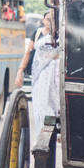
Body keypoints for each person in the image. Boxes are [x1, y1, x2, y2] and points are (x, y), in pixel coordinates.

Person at [16, 9, 59, 148]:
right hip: (39, 74)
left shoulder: (59, 35)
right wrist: (20, 71)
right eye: (47, 19)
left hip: (54, 73)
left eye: (52, 19)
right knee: (40, 104)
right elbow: (28, 53)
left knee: (51, 102)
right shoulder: (38, 33)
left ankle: (52, 130)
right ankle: (42, 134)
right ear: (43, 21)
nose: (49, 22)